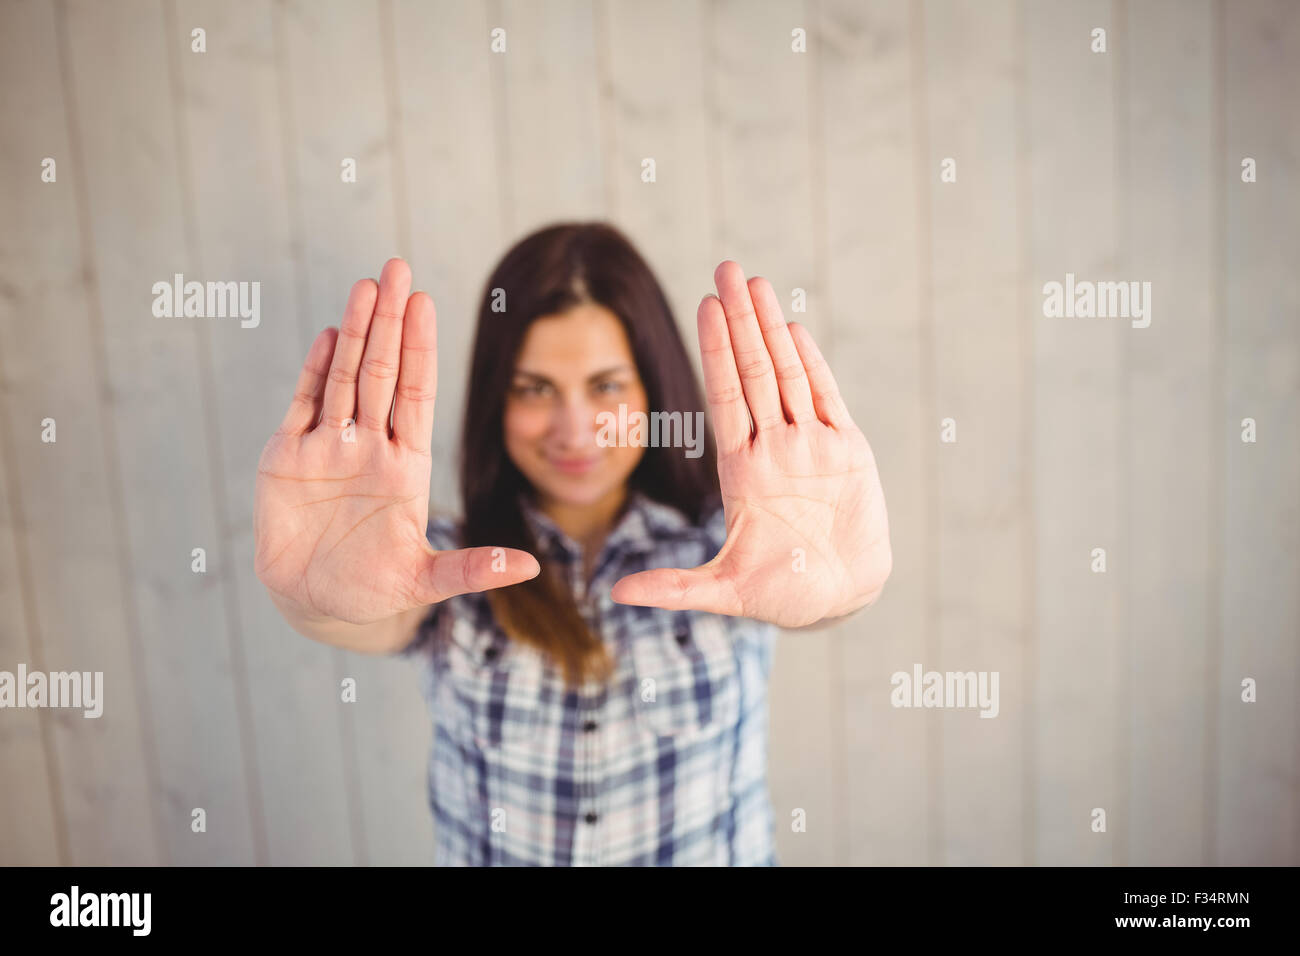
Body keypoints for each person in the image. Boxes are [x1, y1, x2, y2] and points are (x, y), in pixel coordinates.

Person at [253, 222, 892, 865]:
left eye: (607, 386)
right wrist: (308, 598)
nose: (575, 430)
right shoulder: (443, 567)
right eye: (535, 389)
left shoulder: (733, 545)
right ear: (495, 399)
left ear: (653, 389)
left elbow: (815, 599)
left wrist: (845, 589)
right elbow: (354, 613)